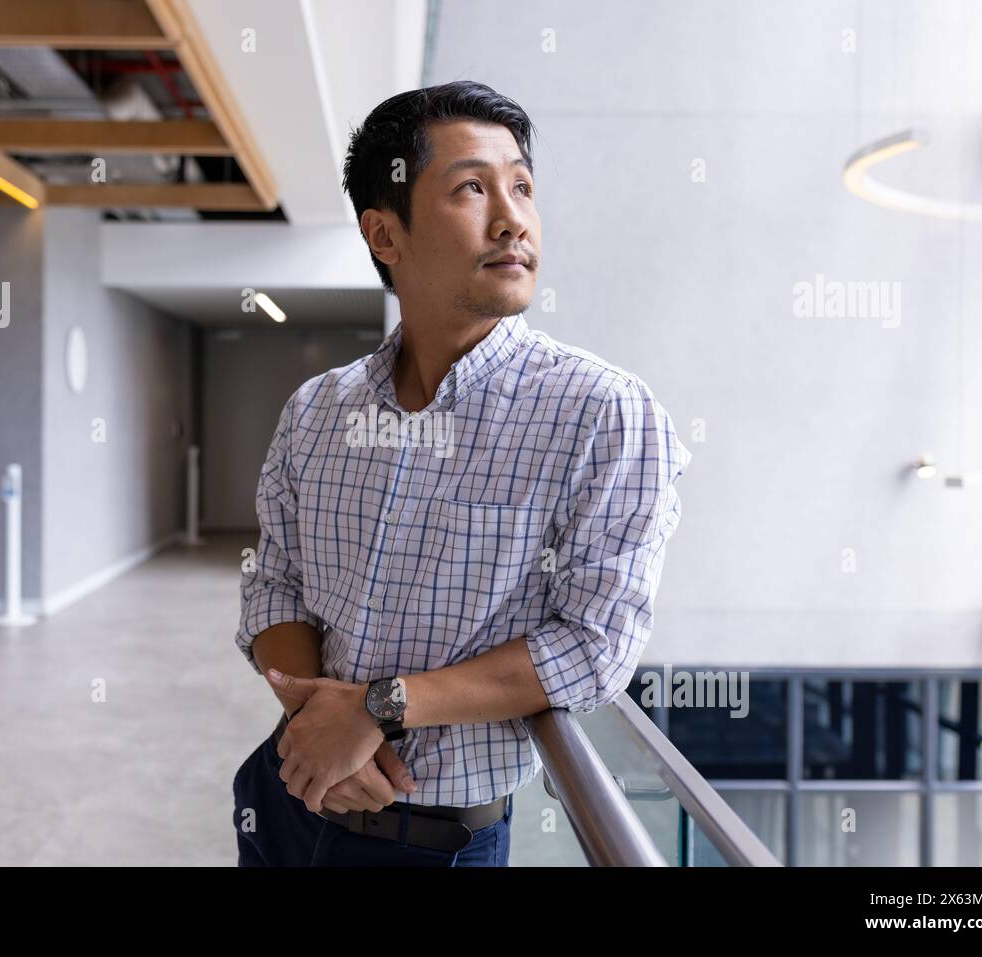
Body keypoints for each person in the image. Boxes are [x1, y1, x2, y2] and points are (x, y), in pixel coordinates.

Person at [231, 79, 691, 866]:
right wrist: (320, 730)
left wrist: (376, 711)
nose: (513, 219)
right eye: (473, 188)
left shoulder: (601, 412)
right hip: (288, 794)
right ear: (386, 233)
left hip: (433, 840)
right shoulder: (317, 409)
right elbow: (274, 584)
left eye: (522, 187)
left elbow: (596, 646)